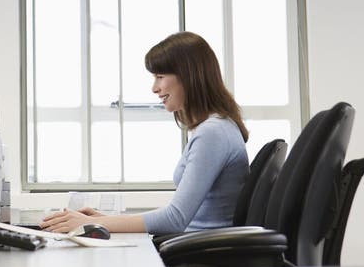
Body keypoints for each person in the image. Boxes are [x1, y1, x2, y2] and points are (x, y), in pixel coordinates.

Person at [41, 31, 249, 236]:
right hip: (194, 244)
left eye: (160, 77)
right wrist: (99, 221)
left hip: (198, 251)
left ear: (188, 76)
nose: (154, 88)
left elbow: (175, 219)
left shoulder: (212, 133)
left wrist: (96, 222)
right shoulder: (218, 127)